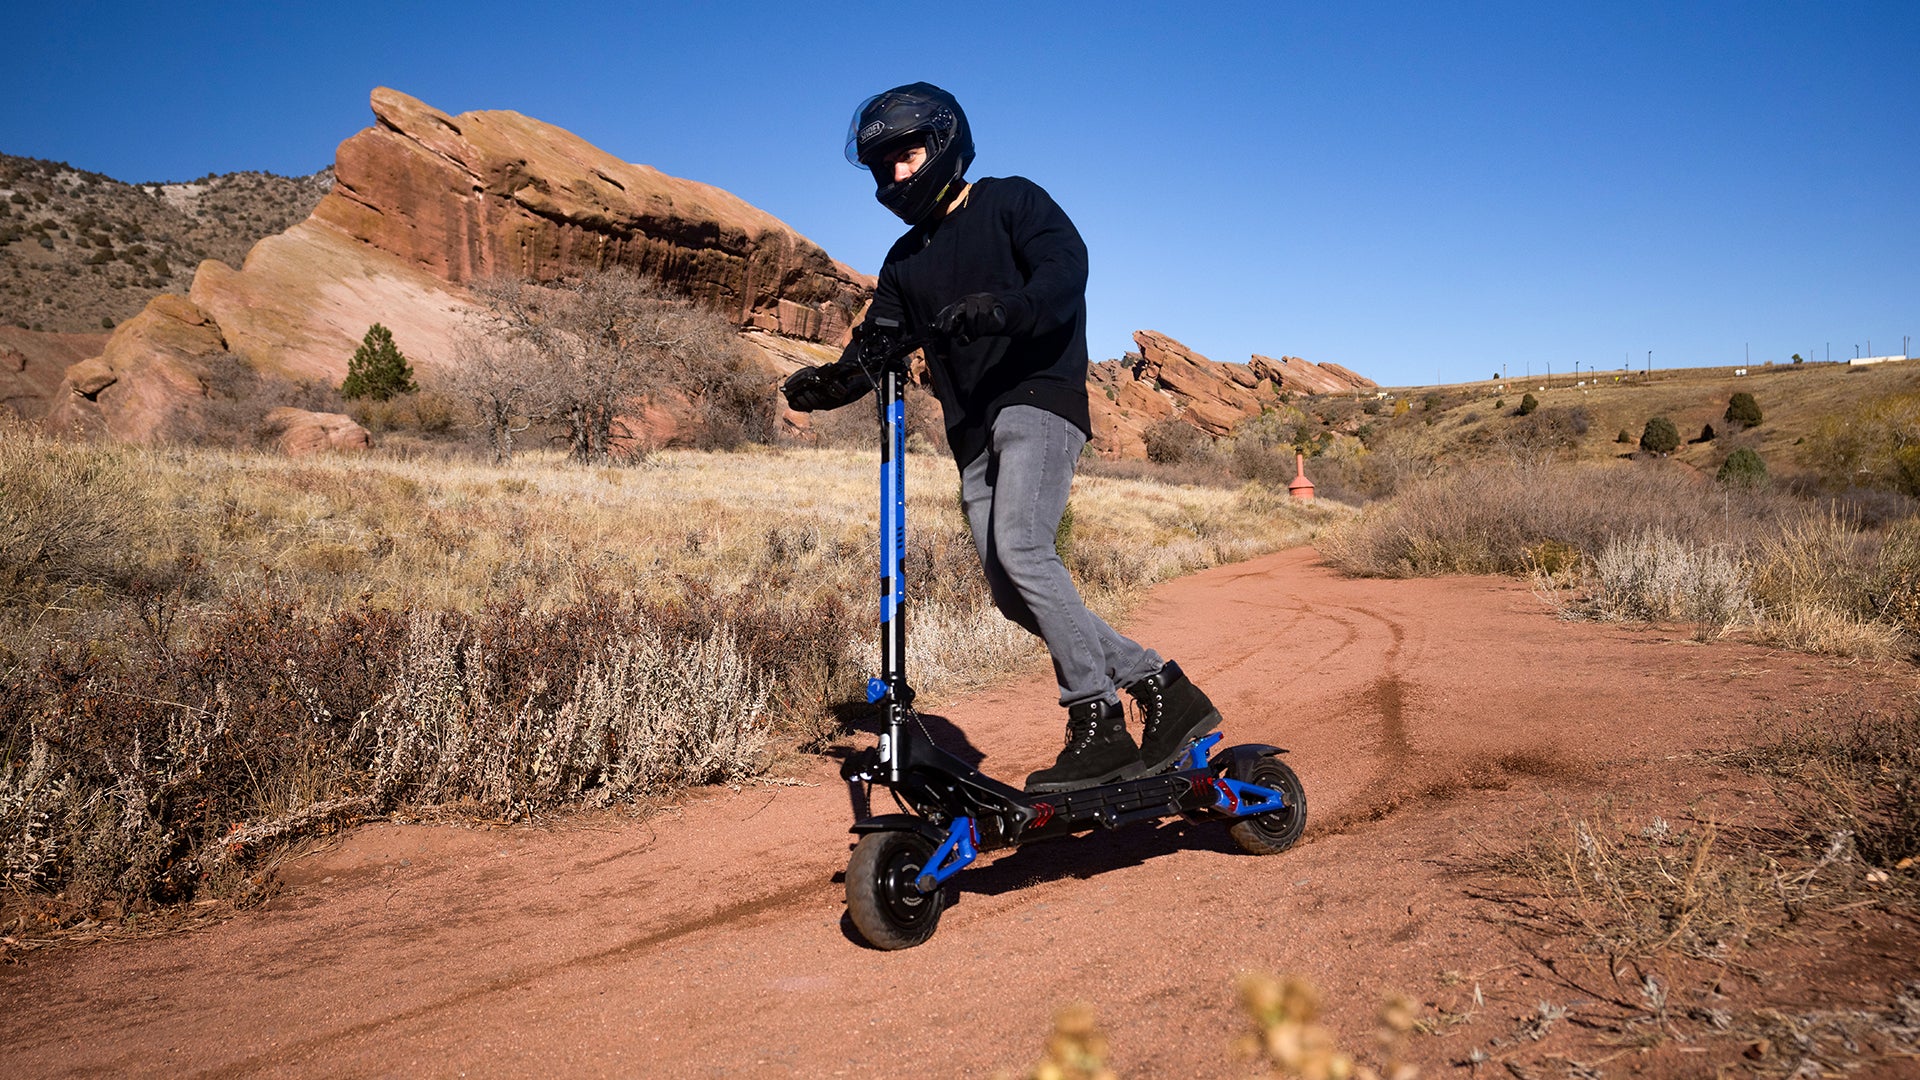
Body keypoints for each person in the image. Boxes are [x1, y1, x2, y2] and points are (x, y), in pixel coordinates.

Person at [783, 82, 1220, 794]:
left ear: (946, 143)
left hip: (1036, 398)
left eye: (907, 154)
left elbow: (1064, 274)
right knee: (1012, 592)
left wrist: (1004, 310)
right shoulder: (903, 263)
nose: (896, 172)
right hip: (972, 429)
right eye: (882, 163)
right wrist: (834, 384)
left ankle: (1098, 721)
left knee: (1023, 549)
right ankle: (1162, 687)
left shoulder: (1012, 200)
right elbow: (877, 346)